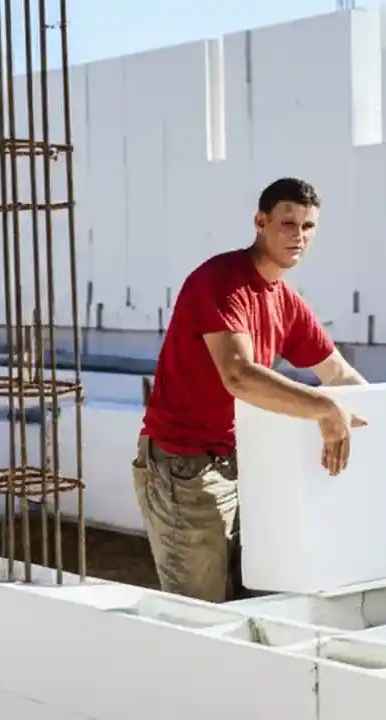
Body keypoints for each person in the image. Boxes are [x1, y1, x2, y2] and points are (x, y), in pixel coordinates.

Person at [132, 177, 369, 603]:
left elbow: (338, 373)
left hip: (242, 464)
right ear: (261, 222)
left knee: (257, 599)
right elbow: (238, 374)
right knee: (201, 613)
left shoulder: (286, 301)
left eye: (308, 227)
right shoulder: (221, 282)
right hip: (183, 466)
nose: (298, 236)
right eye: (287, 223)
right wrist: (323, 408)